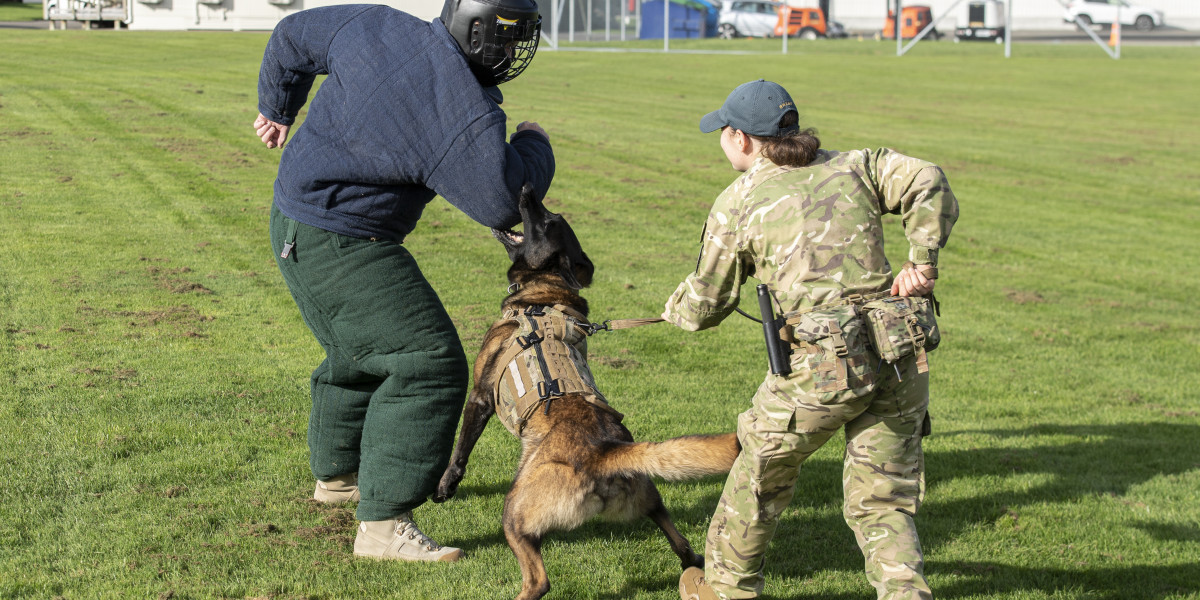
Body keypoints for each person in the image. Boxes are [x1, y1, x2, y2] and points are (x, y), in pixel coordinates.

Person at [252, 0, 553, 562]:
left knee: (360, 350)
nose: (515, 51)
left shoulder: (374, 21)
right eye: (511, 38)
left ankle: (339, 478)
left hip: (292, 220)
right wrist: (535, 145)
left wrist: (278, 106)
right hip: (340, 240)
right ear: (481, 31)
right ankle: (384, 526)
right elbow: (499, 200)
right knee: (425, 359)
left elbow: (291, 36)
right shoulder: (462, 110)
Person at [666, 80, 959, 600]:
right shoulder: (857, 164)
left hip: (824, 368)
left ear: (740, 138)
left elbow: (706, 304)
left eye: (723, 133)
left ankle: (725, 590)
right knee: (883, 502)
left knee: (758, 474)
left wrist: (671, 312)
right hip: (899, 354)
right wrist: (921, 261)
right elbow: (928, 178)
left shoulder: (738, 202)